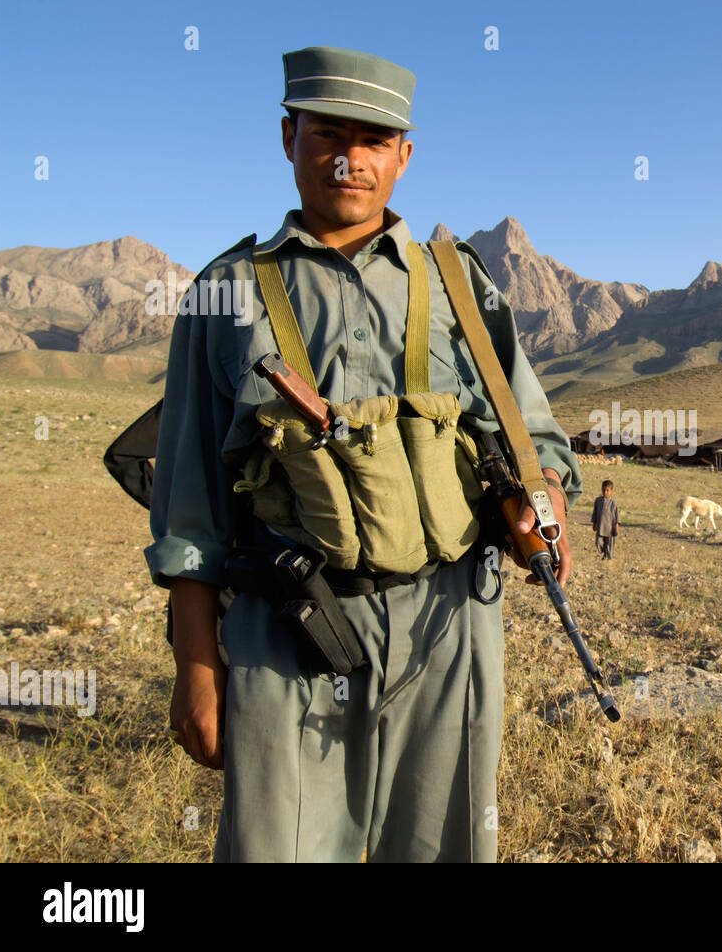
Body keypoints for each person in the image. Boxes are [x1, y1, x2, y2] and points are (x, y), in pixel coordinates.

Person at [147, 46, 581, 863]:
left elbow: (538, 441)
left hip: (448, 624)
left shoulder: (460, 286)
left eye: (375, 139)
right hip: (290, 626)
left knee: (442, 844)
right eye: (327, 134)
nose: (350, 158)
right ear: (288, 137)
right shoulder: (225, 292)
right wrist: (196, 665)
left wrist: (539, 497)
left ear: (404, 157)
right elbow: (188, 501)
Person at [592, 480, 620, 560]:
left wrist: (616, 526)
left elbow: (616, 515)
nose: (605, 492)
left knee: (609, 546)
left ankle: (609, 559)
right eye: (604, 490)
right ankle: (604, 553)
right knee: (598, 543)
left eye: (607, 490)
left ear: (611, 491)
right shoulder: (598, 501)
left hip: (610, 529)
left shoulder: (613, 502)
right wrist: (594, 523)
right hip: (600, 527)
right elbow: (595, 513)